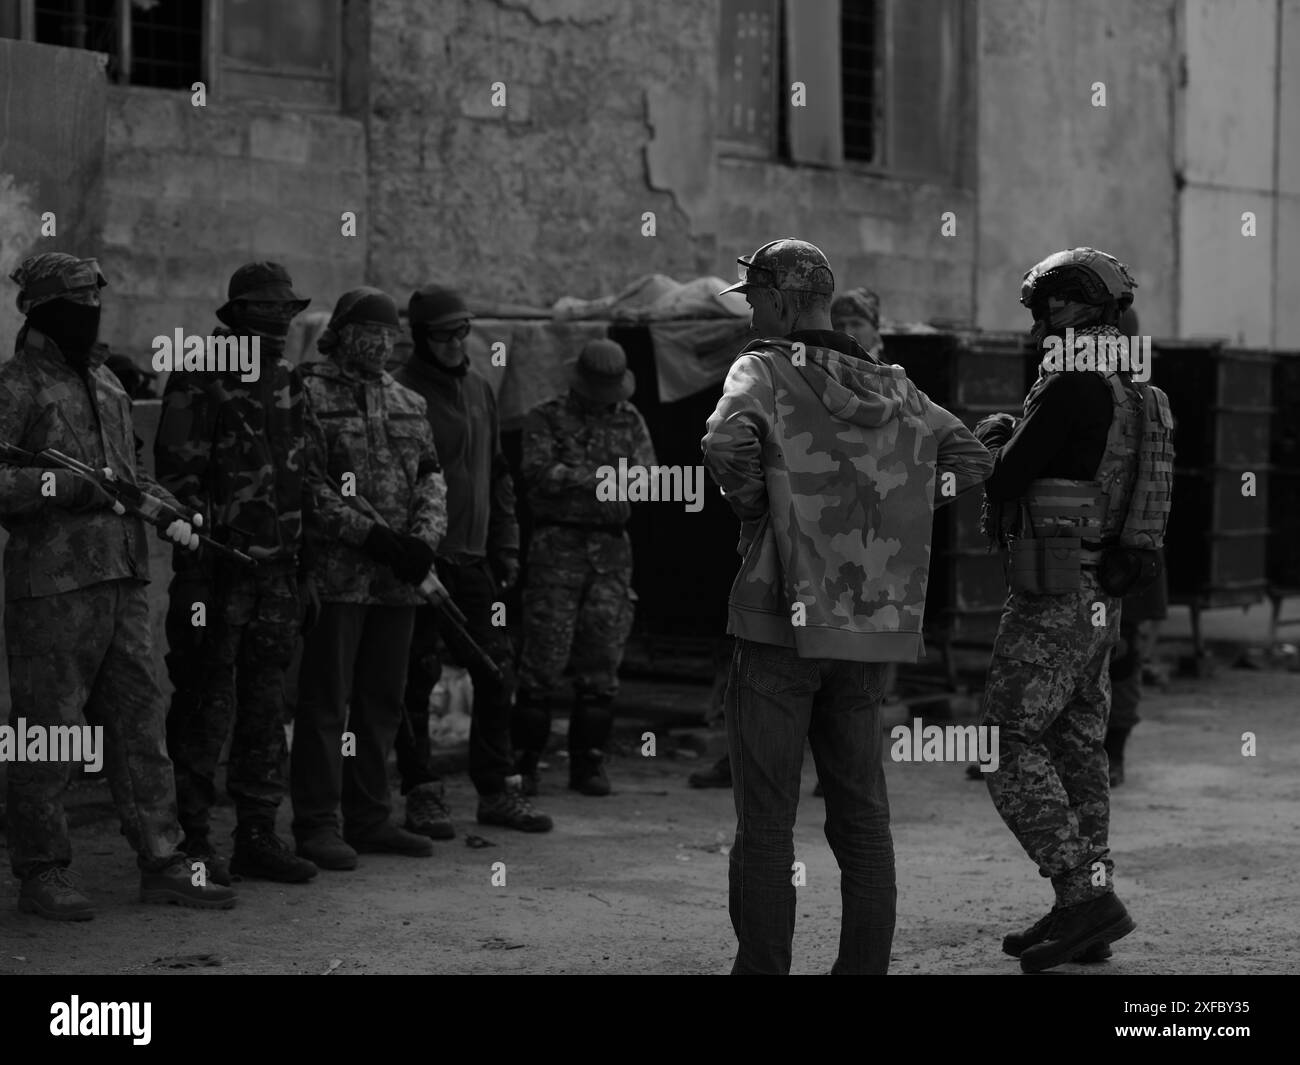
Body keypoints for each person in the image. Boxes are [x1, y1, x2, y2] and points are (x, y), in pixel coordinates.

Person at [701, 238, 993, 974]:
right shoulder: (897, 387)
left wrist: (758, 513)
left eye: (754, 299)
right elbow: (970, 459)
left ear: (776, 297)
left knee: (766, 822)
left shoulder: (763, 368)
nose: (751, 313)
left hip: (775, 620)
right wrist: (900, 510)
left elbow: (724, 440)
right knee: (863, 818)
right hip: (870, 628)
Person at [1, 252, 235, 918]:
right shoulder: (15, 386)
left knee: (139, 724)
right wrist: (63, 485)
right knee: (49, 730)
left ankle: (162, 857)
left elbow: (128, 479)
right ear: (44, 310)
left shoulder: (106, 383)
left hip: (123, 577)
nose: (92, 314)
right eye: (78, 302)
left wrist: (173, 509)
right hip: (53, 586)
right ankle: (42, 868)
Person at [973, 247, 1173, 974]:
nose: (1037, 323)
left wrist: (993, 436)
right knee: (1076, 746)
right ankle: (1083, 906)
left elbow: (1008, 478)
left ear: (1067, 308)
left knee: (1003, 741)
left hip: (1054, 594)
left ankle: (1080, 894)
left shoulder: (1069, 384)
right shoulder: (1131, 386)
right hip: (1103, 600)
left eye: (1042, 308)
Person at [154, 261, 321, 885]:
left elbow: (302, 479)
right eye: (267, 312)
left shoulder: (289, 381)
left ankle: (256, 834)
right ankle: (191, 839)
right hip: (219, 575)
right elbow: (177, 480)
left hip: (278, 576)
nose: (280, 323)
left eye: (287, 312)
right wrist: (194, 573)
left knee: (264, 709)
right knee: (204, 705)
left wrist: (303, 571)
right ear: (239, 315)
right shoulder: (200, 373)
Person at [291, 288, 448, 867]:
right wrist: (371, 536)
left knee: (383, 701)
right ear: (342, 332)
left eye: (389, 333)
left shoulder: (408, 400)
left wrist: (423, 541)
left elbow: (431, 476)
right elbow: (307, 486)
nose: (380, 343)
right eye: (369, 331)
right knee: (326, 704)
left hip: (398, 580)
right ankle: (317, 823)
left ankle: (370, 815)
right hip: (339, 576)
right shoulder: (307, 393)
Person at [394, 285, 551, 833]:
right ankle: (421, 789)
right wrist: (410, 554)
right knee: (417, 677)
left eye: (463, 331)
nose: (457, 343)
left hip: (474, 560)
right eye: (445, 334)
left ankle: (496, 788)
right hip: (421, 563)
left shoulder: (482, 390)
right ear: (421, 337)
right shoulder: (401, 393)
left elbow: (499, 476)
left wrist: (506, 545)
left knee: (494, 670)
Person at [512, 339, 656, 796]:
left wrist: (584, 481)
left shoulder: (629, 418)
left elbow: (648, 480)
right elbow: (537, 476)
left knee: (602, 662)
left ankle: (588, 763)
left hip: (611, 556)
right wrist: (601, 480)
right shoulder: (545, 417)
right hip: (557, 549)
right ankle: (526, 763)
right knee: (542, 662)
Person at [829, 287, 883, 360]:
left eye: (855, 324)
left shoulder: (895, 369)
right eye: (839, 325)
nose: (847, 332)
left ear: (875, 328)